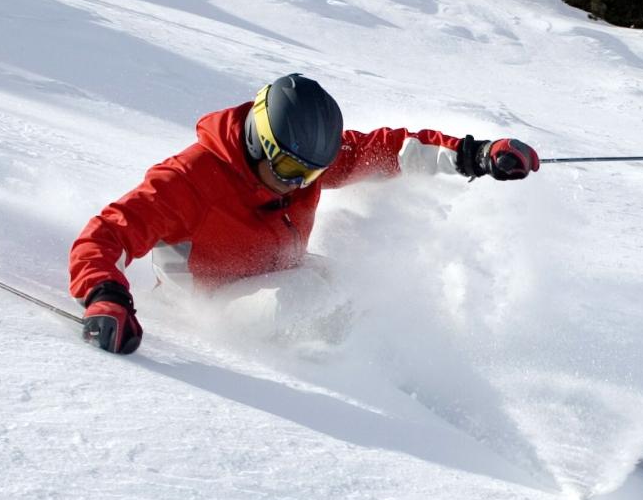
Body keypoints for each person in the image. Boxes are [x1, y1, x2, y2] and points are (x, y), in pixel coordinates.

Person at [70, 73, 539, 353]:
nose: (300, 184)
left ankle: (397, 391)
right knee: (304, 301)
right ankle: (325, 391)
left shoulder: (303, 167)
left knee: (363, 288)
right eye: (291, 169)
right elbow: (105, 235)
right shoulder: (189, 180)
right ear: (259, 142)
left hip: (285, 277)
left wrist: (474, 155)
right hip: (211, 306)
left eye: (314, 174)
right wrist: (105, 295)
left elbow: (390, 150)